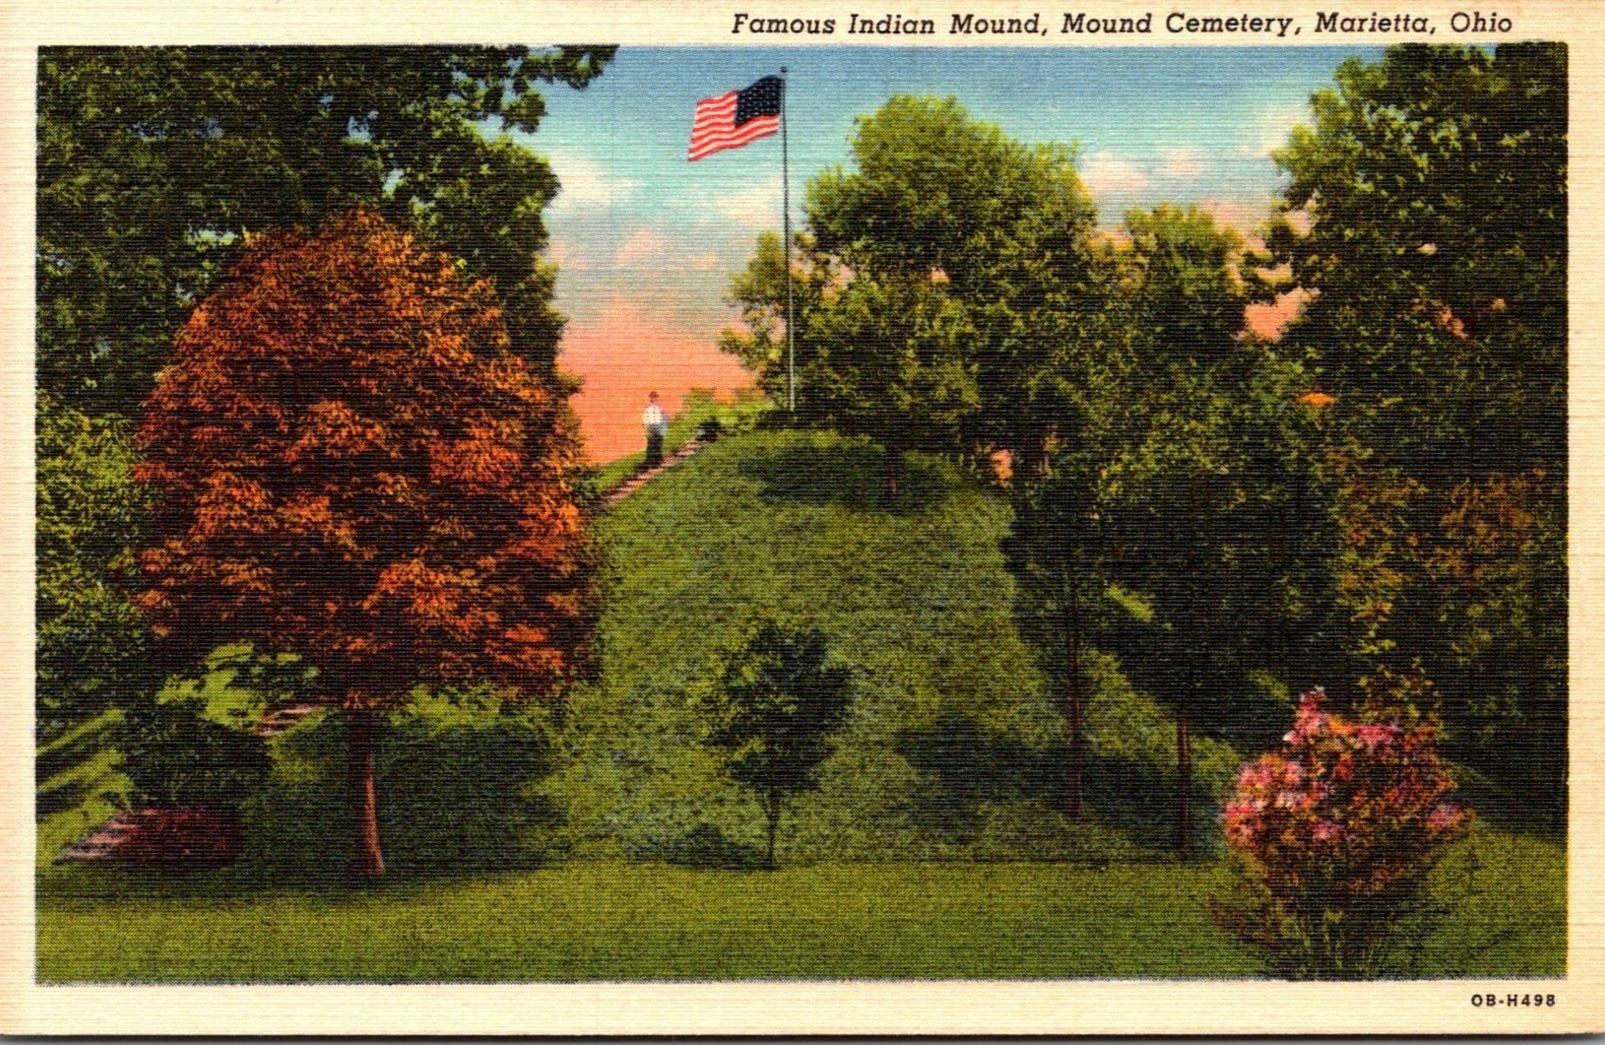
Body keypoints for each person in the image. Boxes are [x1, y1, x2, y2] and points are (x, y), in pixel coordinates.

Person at [642, 391, 668, 468]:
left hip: (659, 428)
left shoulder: (660, 407)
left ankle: (657, 461)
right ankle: (650, 460)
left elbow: (665, 418)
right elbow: (645, 418)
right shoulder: (648, 407)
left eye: (654, 397)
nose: (653, 398)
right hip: (651, 428)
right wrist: (645, 427)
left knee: (657, 444)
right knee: (650, 445)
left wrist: (663, 429)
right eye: (651, 397)